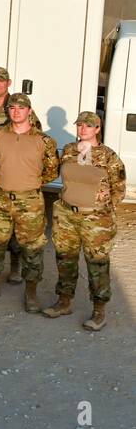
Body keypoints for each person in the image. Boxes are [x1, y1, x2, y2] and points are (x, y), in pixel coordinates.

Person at [0, 94, 60, 311]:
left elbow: (51, 171)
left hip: (30, 201)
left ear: (30, 111)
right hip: (0, 198)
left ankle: (31, 293)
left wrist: (28, 182)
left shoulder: (44, 141)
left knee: (32, 248)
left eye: (21, 108)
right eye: (12, 108)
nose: (16, 111)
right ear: (8, 111)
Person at [43, 111, 126, 331]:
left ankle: (99, 310)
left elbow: (119, 187)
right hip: (67, 215)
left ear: (98, 129)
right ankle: (64, 301)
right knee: (65, 259)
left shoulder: (108, 156)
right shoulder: (69, 150)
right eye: (80, 125)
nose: (83, 129)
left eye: (88, 126)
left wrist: (103, 209)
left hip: (96, 219)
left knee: (97, 263)